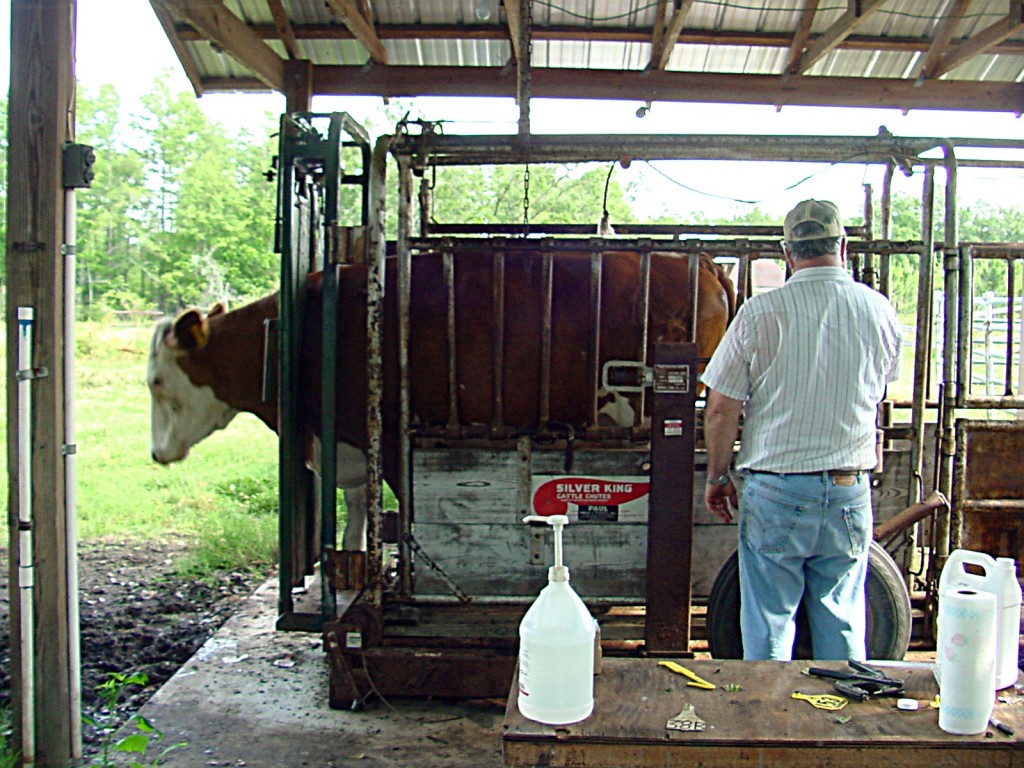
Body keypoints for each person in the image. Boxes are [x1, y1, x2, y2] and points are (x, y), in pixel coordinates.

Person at [700, 199, 902, 661]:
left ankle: (768, 726)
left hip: (777, 490)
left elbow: (720, 408)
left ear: (788, 253)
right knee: (842, 614)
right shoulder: (879, 310)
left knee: (769, 623)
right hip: (849, 489)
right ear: (843, 247)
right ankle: (838, 723)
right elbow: (879, 390)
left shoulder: (760, 313)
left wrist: (717, 476)